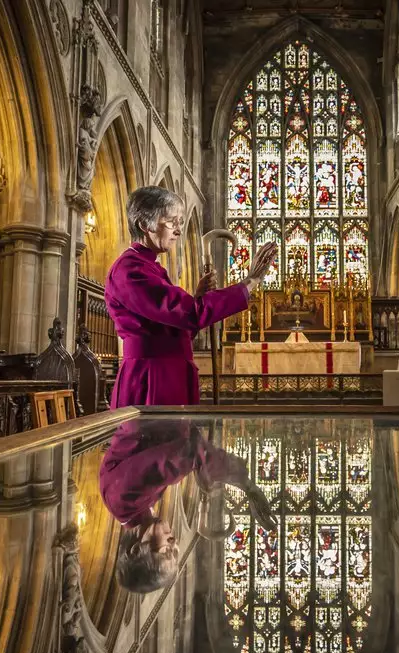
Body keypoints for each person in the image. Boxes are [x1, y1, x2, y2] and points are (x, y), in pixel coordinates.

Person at [105, 186, 277, 406]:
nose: (178, 230)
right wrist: (249, 282)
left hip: (167, 374)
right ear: (143, 224)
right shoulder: (130, 270)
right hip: (151, 380)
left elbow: (176, 327)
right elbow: (190, 315)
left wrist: (197, 297)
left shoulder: (149, 267)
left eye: (180, 222)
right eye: (171, 221)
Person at [99, 418, 268, 593]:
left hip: (154, 400)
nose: (175, 542)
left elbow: (187, 451)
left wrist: (245, 483)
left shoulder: (126, 497)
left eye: (167, 552)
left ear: (135, 549)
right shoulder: (137, 508)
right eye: (176, 552)